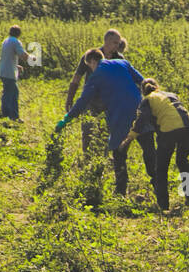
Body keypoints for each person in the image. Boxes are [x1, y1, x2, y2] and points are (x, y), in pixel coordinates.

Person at [54, 48, 154, 197]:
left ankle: (120, 193)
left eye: (90, 66)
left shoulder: (96, 75)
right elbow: (144, 82)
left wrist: (67, 118)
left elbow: (83, 101)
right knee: (149, 149)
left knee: (118, 152)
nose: (91, 69)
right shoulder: (123, 63)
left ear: (92, 62)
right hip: (141, 110)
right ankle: (158, 184)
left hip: (119, 115)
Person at [119, 78, 189, 212]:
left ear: (143, 91)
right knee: (183, 162)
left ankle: (164, 205)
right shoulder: (171, 95)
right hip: (187, 127)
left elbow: (141, 121)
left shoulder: (147, 100)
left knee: (161, 169)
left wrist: (129, 139)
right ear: (157, 87)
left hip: (168, 131)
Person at [64, 29, 126, 155]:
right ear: (106, 41)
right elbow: (76, 79)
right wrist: (70, 99)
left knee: (105, 133)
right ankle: (87, 159)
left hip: (109, 102)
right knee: (87, 130)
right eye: (115, 43)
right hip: (90, 100)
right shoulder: (91, 56)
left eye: (118, 43)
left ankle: (101, 161)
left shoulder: (119, 58)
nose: (117, 46)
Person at [0, 25, 29, 120]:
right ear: (18, 33)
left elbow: (7, 57)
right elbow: (23, 55)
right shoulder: (16, 42)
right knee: (13, 94)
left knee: (7, 93)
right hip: (9, 72)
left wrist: (16, 66)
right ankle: (13, 116)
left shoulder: (6, 41)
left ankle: (5, 114)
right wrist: (32, 57)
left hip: (3, 70)